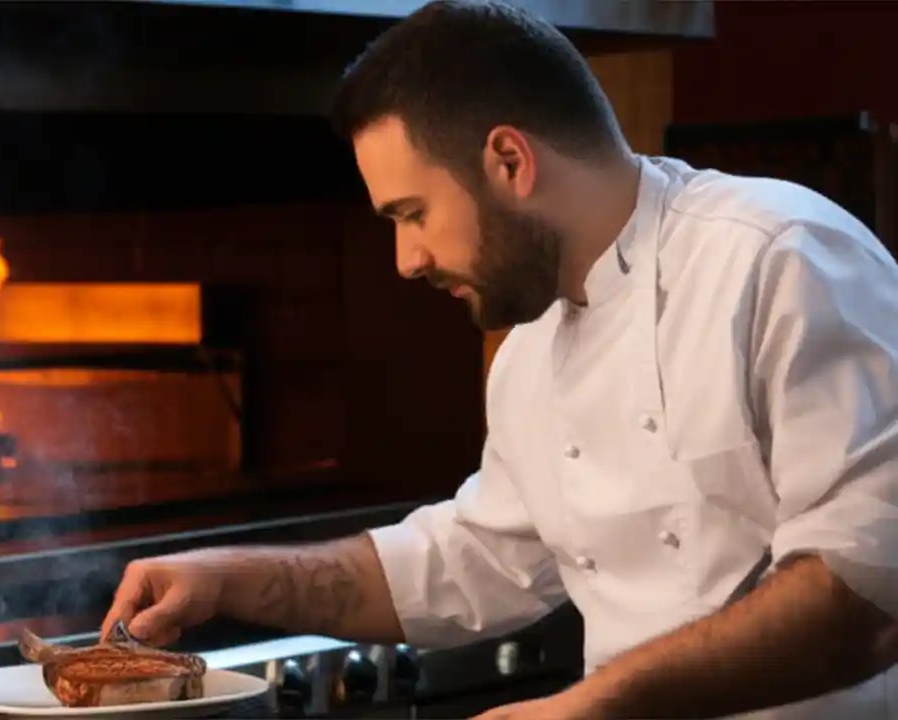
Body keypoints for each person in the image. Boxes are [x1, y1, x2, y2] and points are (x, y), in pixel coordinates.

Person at [102, 2, 898, 717]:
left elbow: (869, 591)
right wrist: (227, 578)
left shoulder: (778, 258)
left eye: (412, 214)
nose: (405, 261)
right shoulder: (530, 354)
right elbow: (470, 560)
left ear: (510, 162)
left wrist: (590, 707)